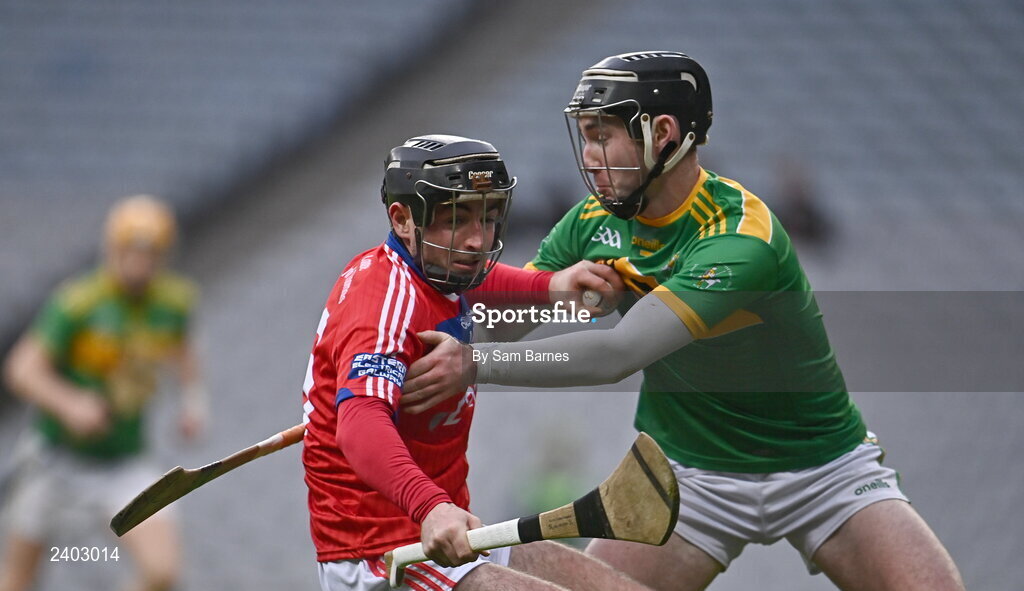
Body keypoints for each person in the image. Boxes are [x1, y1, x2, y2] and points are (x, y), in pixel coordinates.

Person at [400, 52, 966, 591]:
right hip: (685, 477)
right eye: (587, 136)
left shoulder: (741, 237)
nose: (590, 156)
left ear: (663, 134)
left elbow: (619, 354)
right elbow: (499, 322)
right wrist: (397, 355)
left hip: (821, 471)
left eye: (603, 136)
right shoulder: (591, 223)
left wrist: (475, 364)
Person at [301, 134, 649, 591]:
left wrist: (552, 286)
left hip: (447, 538)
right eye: (456, 219)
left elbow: (471, 284)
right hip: (384, 555)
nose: (476, 238)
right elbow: (359, 421)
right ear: (403, 219)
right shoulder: (382, 300)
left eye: (487, 216)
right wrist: (431, 506)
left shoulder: (436, 269)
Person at [0, 195, 207, 591]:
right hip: (57, 460)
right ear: (113, 248)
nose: (140, 262)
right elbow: (21, 369)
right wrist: (69, 402)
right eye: (132, 250)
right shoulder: (79, 302)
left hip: (124, 462)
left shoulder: (174, 302)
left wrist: (193, 403)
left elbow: (185, 350)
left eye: (152, 253)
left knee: (162, 571)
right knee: (17, 579)